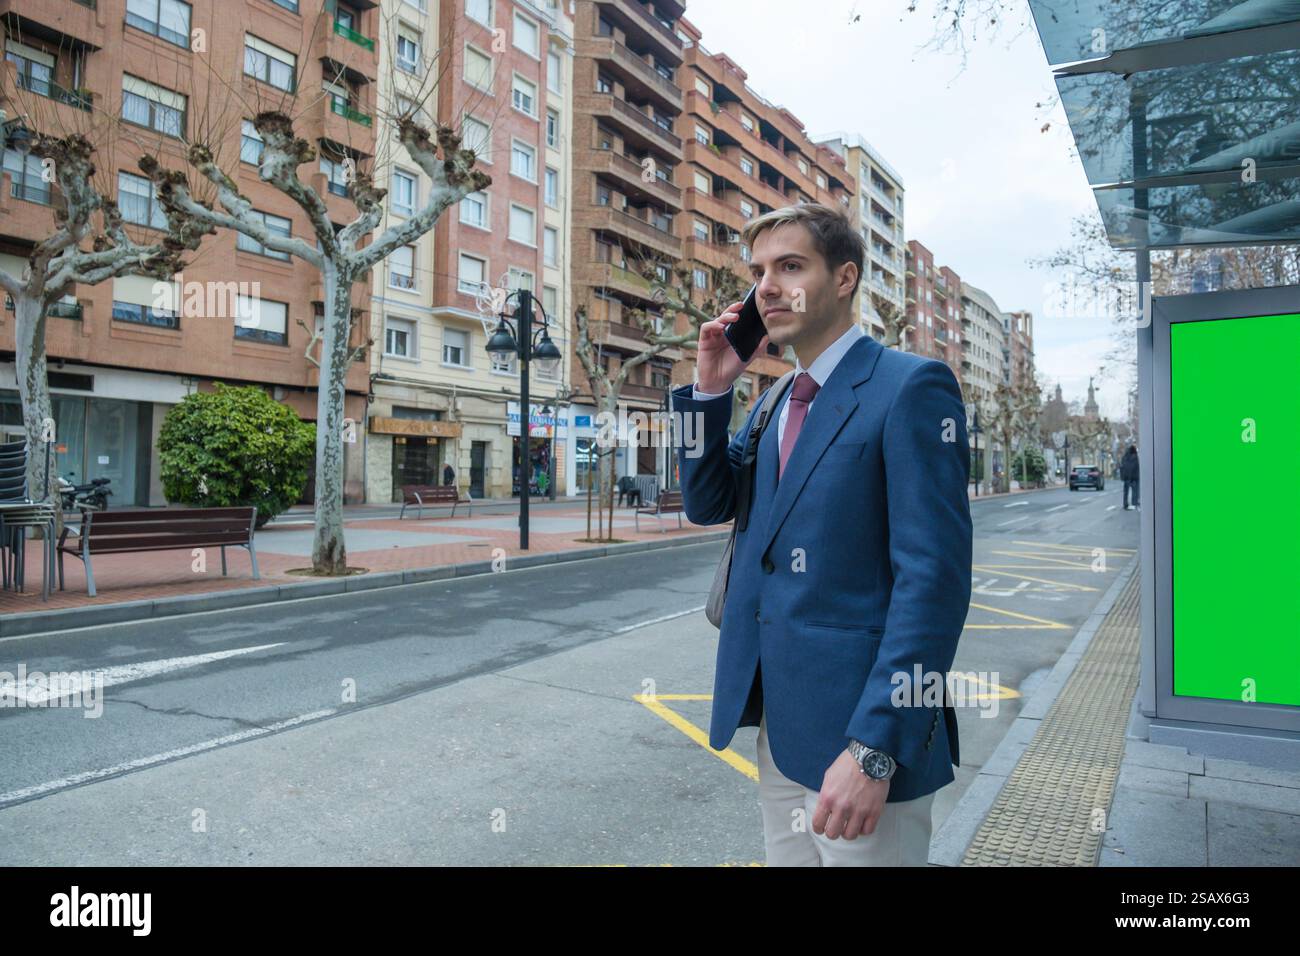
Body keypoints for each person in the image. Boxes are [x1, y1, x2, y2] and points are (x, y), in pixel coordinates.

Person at [672, 203, 972, 866]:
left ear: (844, 279)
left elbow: (934, 584)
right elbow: (706, 504)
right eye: (757, 272)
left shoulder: (910, 387)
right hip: (781, 732)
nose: (766, 287)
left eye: (790, 266)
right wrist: (710, 389)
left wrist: (875, 747)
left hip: (861, 745)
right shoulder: (777, 400)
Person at [1120, 445, 1139, 510]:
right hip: (1133, 477)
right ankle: (1134, 503)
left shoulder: (1124, 457)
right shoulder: (1135, 457)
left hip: (1126, 477)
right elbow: (1135, 467)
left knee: (1125, 492)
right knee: (1135, 491)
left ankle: (1125, 504)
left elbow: (1122, 467)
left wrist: (1122, 477)